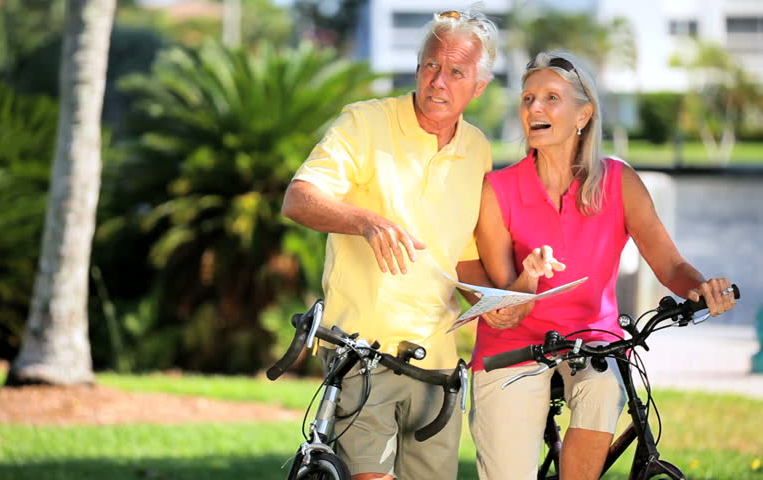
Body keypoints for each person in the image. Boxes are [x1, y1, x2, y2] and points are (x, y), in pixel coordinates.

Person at [467, 51, 737, 480]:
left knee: (604, 384)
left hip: (592, 341)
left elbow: (669, 263)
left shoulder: (619, 181)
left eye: (551, 98)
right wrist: (530, 275)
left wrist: (701, 288)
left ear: (583, 114)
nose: (534, 108)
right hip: (512, 350)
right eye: (527, 98)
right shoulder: (496, 190)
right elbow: (505, 302)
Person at [281, 5, 499, 480]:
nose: (438, 81)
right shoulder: (364, 123)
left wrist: (493, 302)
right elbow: (299, 198)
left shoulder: (478, 149)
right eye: (430, 66)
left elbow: (461, 257)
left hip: (438, 368)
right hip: (362, 353)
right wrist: (364, 221)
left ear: (478, 87)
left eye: (456, 72)